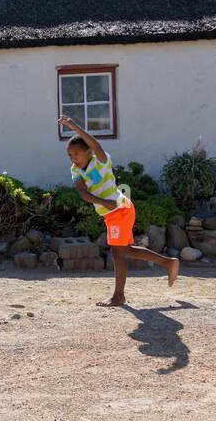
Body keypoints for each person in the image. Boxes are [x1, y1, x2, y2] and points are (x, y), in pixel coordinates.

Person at [61, 116, 178, 307]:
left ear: (88, 152)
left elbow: (96, 145)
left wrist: (73, 126)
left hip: (120, 210)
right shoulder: (76, 170)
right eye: (70, 155)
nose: (73, 158)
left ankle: (118, 296)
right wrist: (103, 202)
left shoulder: (101, 160)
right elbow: (83, 193)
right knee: (125, 251)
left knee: (118, 254)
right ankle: (168, 263)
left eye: (76, 154)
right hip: (111, 213)